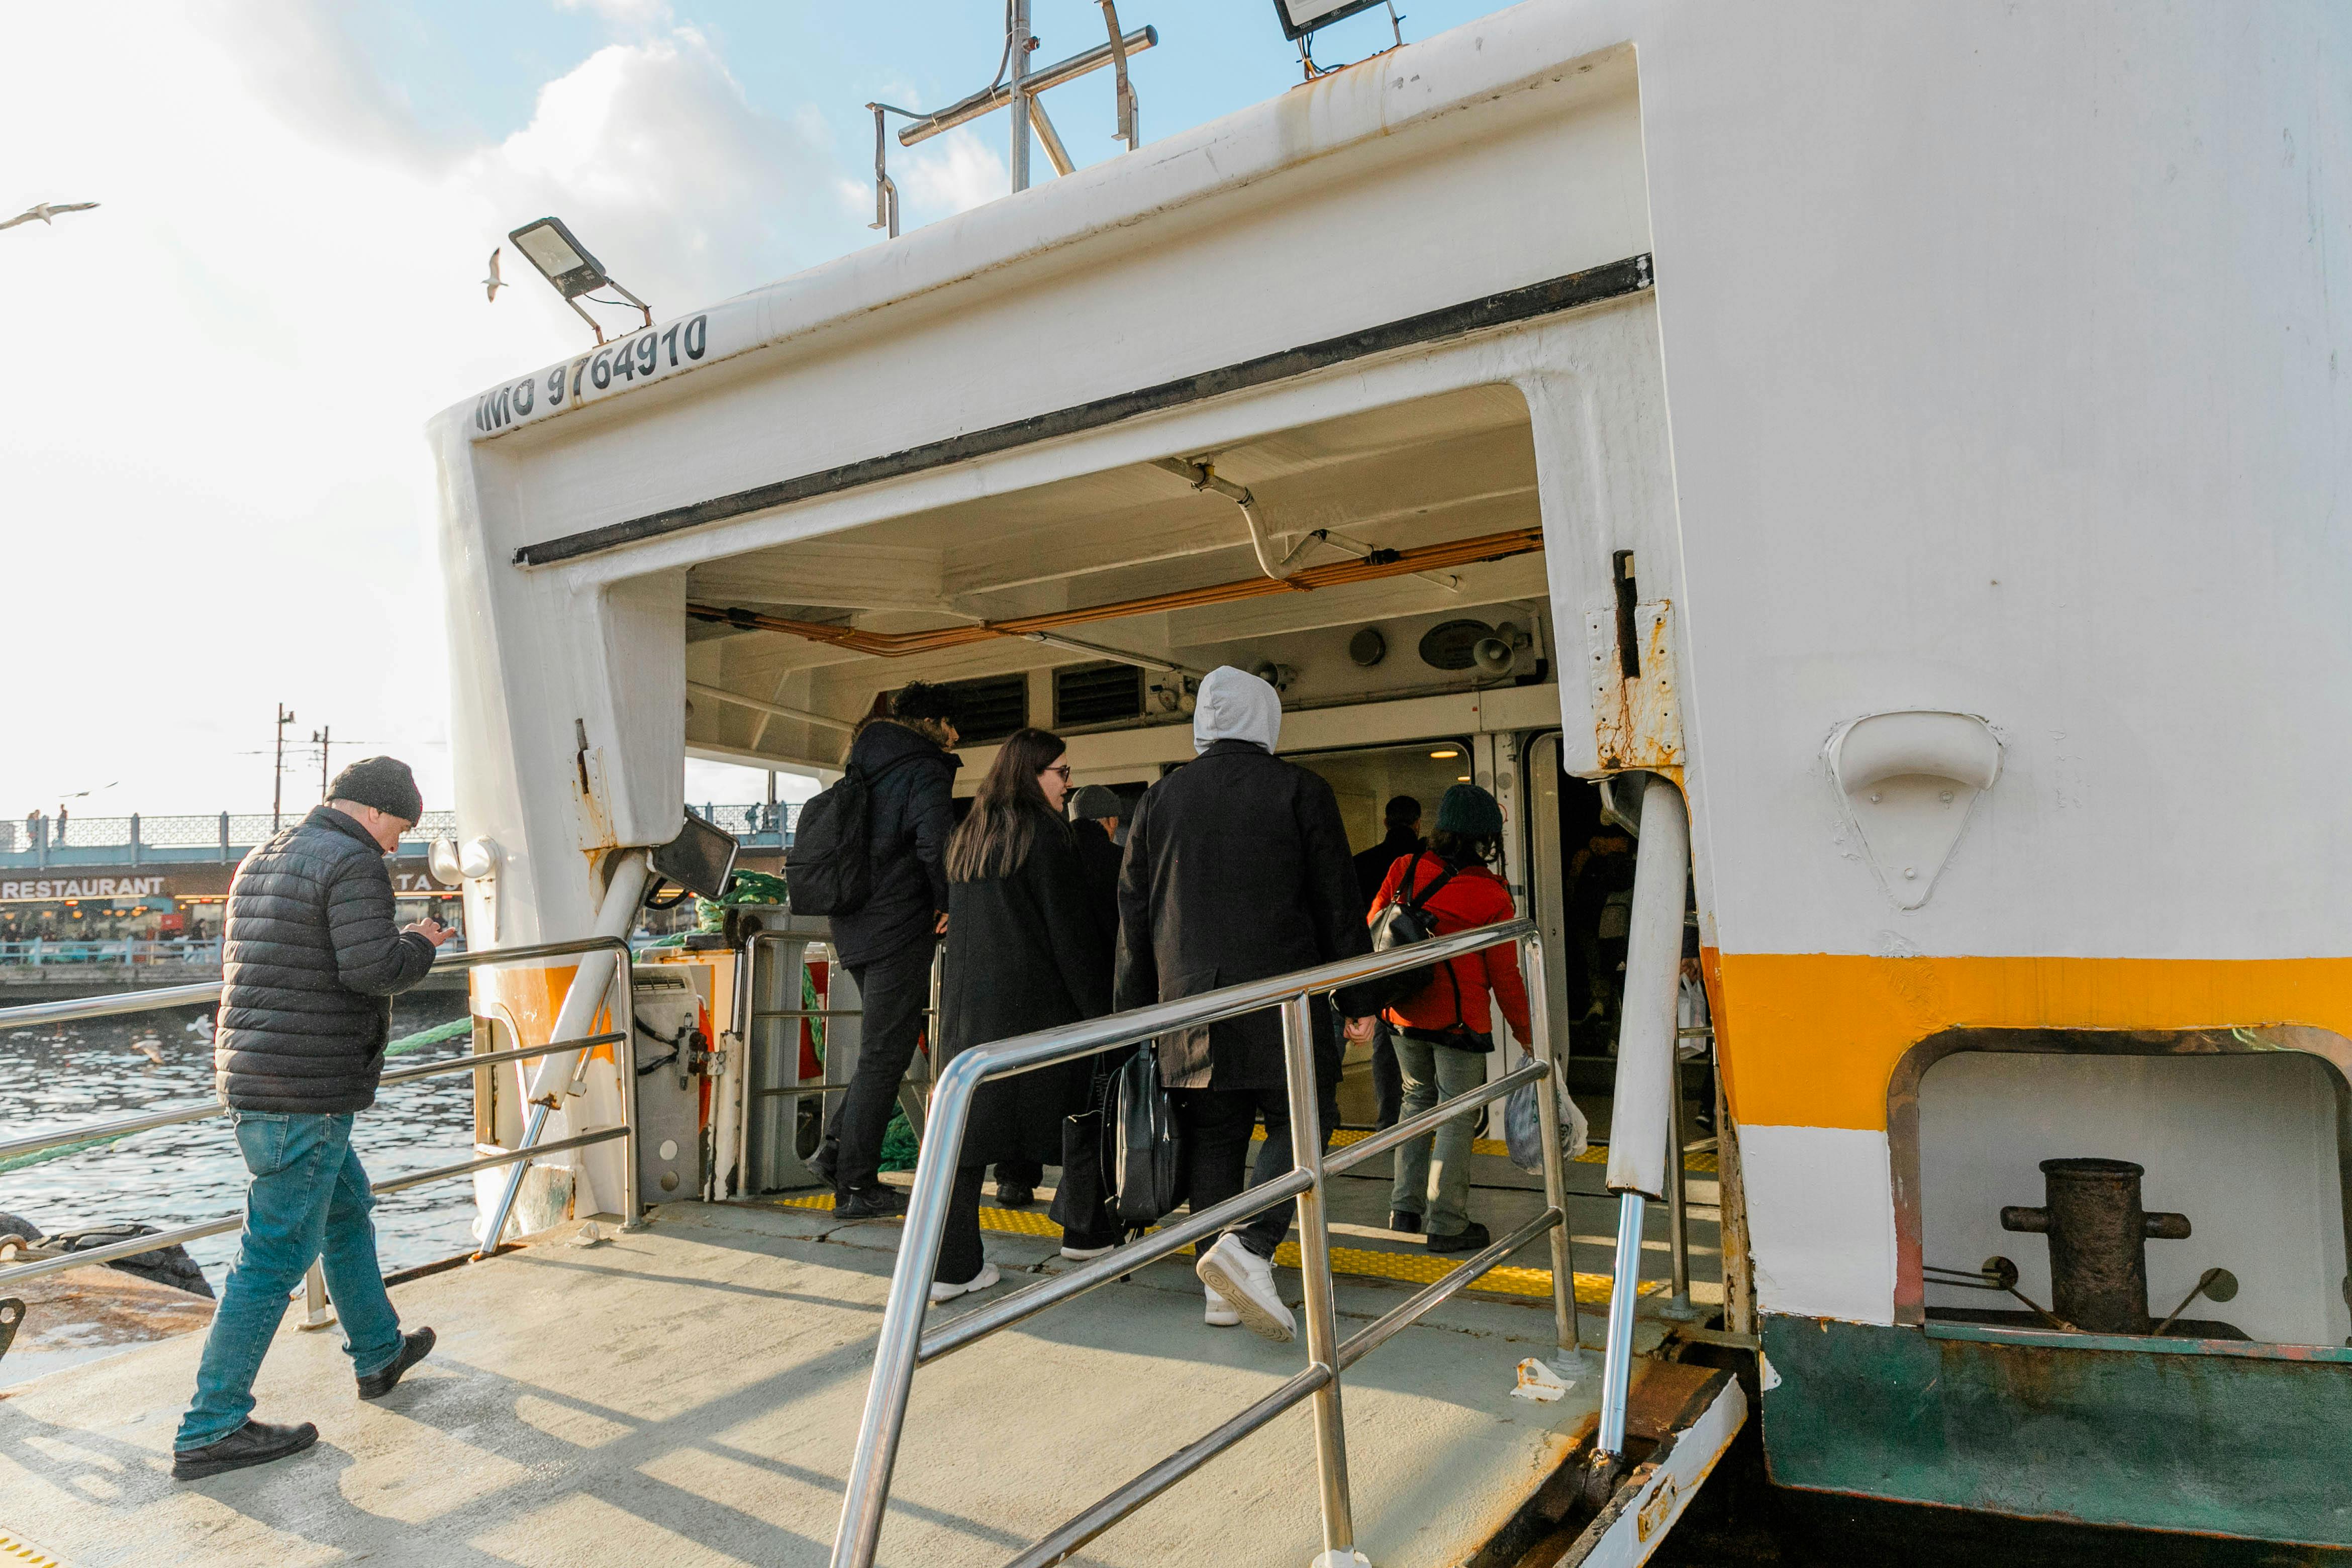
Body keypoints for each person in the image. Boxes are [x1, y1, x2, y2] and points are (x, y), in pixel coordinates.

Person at [171, 756, 456, 1480]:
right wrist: (423, 941)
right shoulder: (354, 861)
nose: (398, 844)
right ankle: (212, 1426)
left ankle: (378, 1351)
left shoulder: (268, 854)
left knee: (344, 1209)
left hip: (261, 1077)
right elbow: (370, 968)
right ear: (376, 811)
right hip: (307, 1090)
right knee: (271, 1258)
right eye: (401, 827)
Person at [1115, 665, 1377, 1341]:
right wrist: (1359, 996)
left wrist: (1135, 1012)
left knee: (1216, 1138)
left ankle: (1220, 1287)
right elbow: (1336, 903)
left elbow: (1135, 914)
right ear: (1266, 719)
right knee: (1307, 1118)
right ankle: (1251, 1246)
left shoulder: (1159, 799)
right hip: (1280, 999)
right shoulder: (1299, 790)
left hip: (1189, 1007)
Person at [930, 729, 1120, 1300]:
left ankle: (950, 1267)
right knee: (1087, 1111)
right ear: (1032, 773)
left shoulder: (970, 836)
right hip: (1037, 1011)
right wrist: (1102, 1014)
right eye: (1061, 772)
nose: (1067, 784)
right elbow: (1070, 936)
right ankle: (1087, 1234)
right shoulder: (1045, 836)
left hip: (969, 1019)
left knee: (963, 1143)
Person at [809, 683, 962, 1219]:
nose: (956, 735)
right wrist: (947, 902)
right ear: (932, 723)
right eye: (951, 723)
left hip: (852, 925)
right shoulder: (924, 768)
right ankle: (854, 1187)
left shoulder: (864, 764)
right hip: (897, 923)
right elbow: (936, 841)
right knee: (887, 1052)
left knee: (884, 1049)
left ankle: (835, 1153)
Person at [1367, 783, 1533, 1255]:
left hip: (1403, 1011)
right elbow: (1505, 977)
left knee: (1415, 1101)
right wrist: (1527, 1035)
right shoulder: (1490, 893)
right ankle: (1447, 1222)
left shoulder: (1406, 867)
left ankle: (1405, 1209)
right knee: (1458, 1114)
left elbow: (1375, 923)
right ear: (1486, 838)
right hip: (1459, 1023)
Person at [1351, 795, 1423, 1129]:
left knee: (1383, 1043)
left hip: (1376, 962)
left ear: (1385, 823)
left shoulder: (1362, 863)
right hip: (1421, 962)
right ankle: (1421, 1117)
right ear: (1419, 823)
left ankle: (1389, 1122)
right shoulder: (1429, 862)